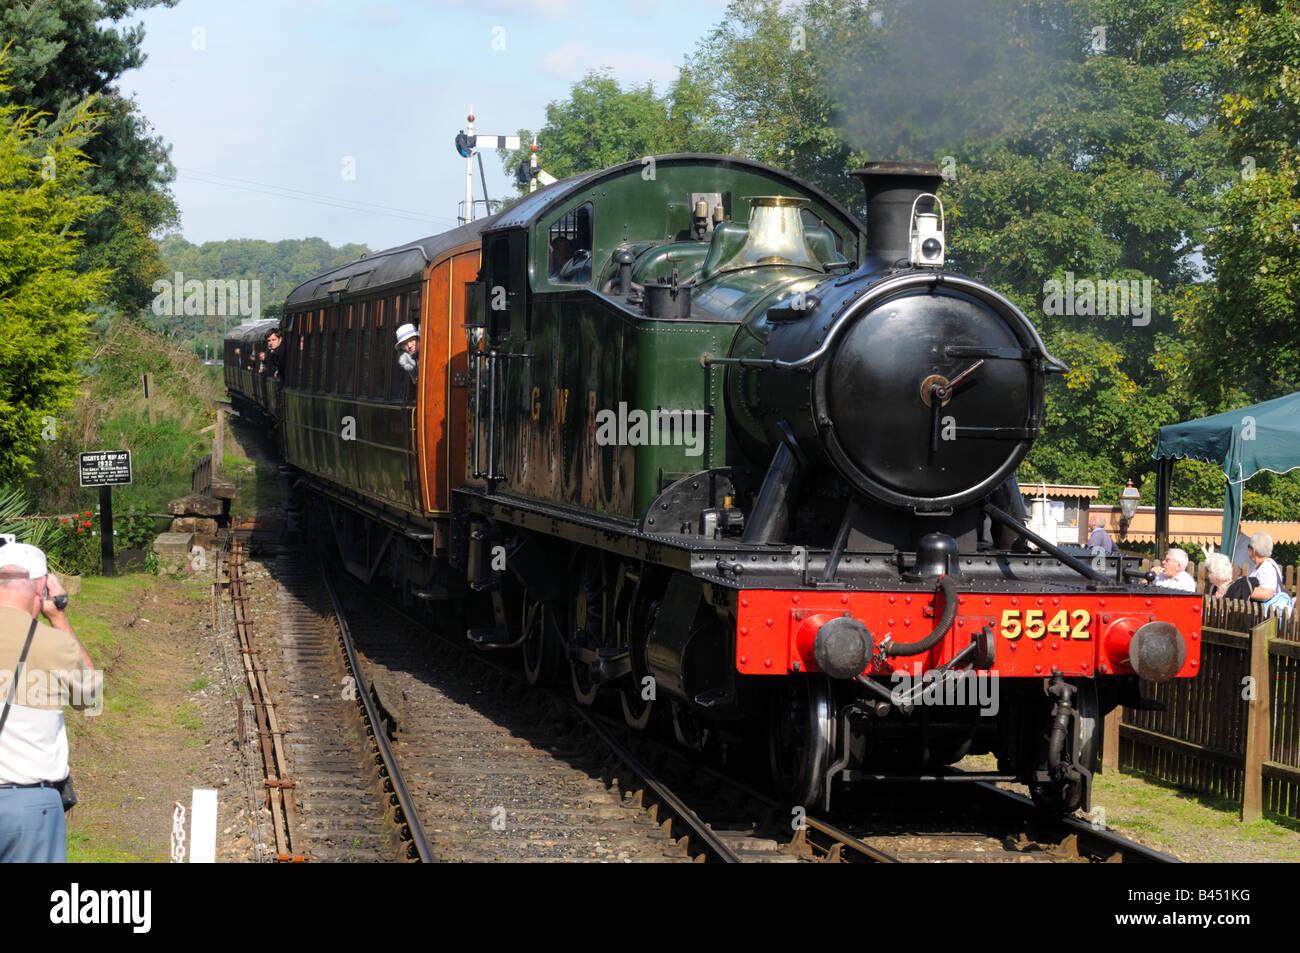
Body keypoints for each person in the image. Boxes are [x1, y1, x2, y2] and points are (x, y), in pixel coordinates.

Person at [0, 542, 98, 862]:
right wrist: (59, 617)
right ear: (43, 588)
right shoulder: (53, 645)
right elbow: (90, 697)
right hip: (28, 809)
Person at [1246, 532, 1292, 611]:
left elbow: (1268, 592)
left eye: (1248, 547)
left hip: (1267, 616)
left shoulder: (1267, 567)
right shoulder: (1265, 565)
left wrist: (1245, 590)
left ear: (1254, 551)